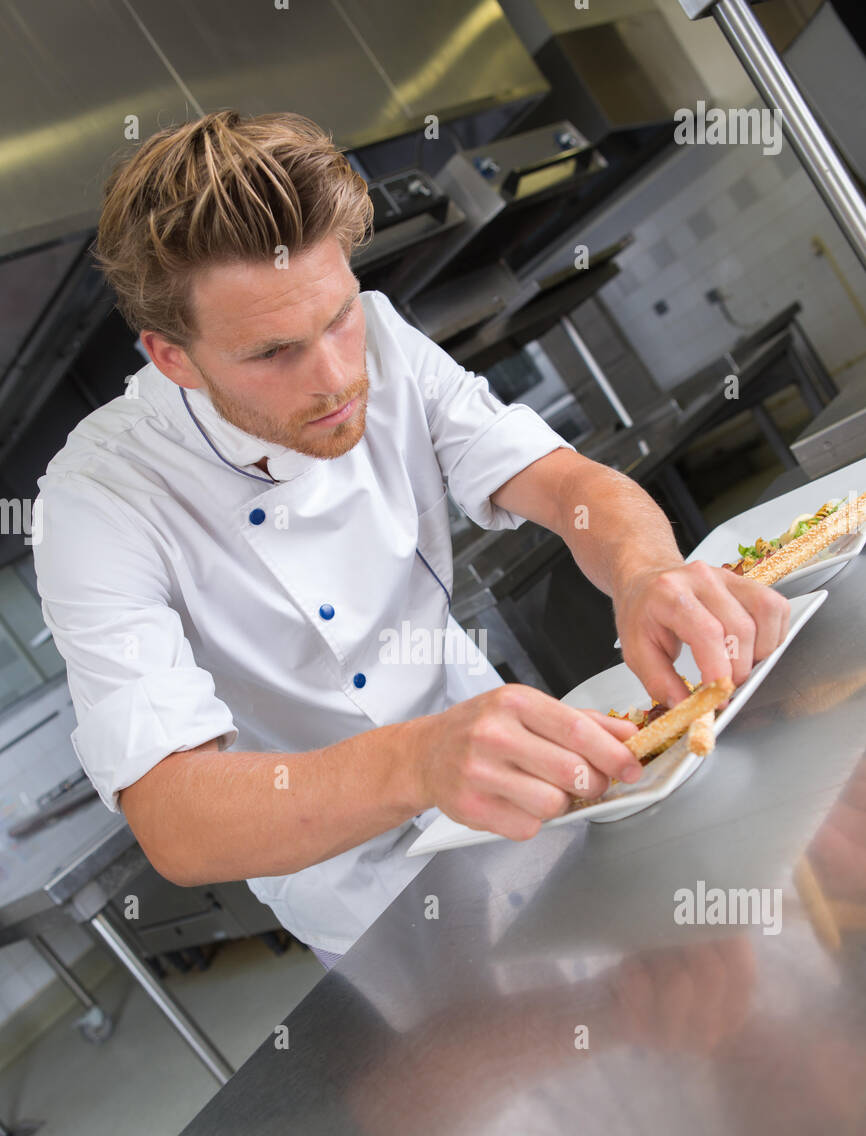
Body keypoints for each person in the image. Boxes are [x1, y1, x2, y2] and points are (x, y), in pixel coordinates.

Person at [32, 110, 790, 966]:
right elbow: (174, 817)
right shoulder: (97, 498)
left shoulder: (384, 339)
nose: (334, 379)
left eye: (337, 318)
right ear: (172, 359)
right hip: (359, 898)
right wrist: (420, 764)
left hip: (526, 787)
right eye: (274, 353)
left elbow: (565, 484)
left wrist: (646, 572)